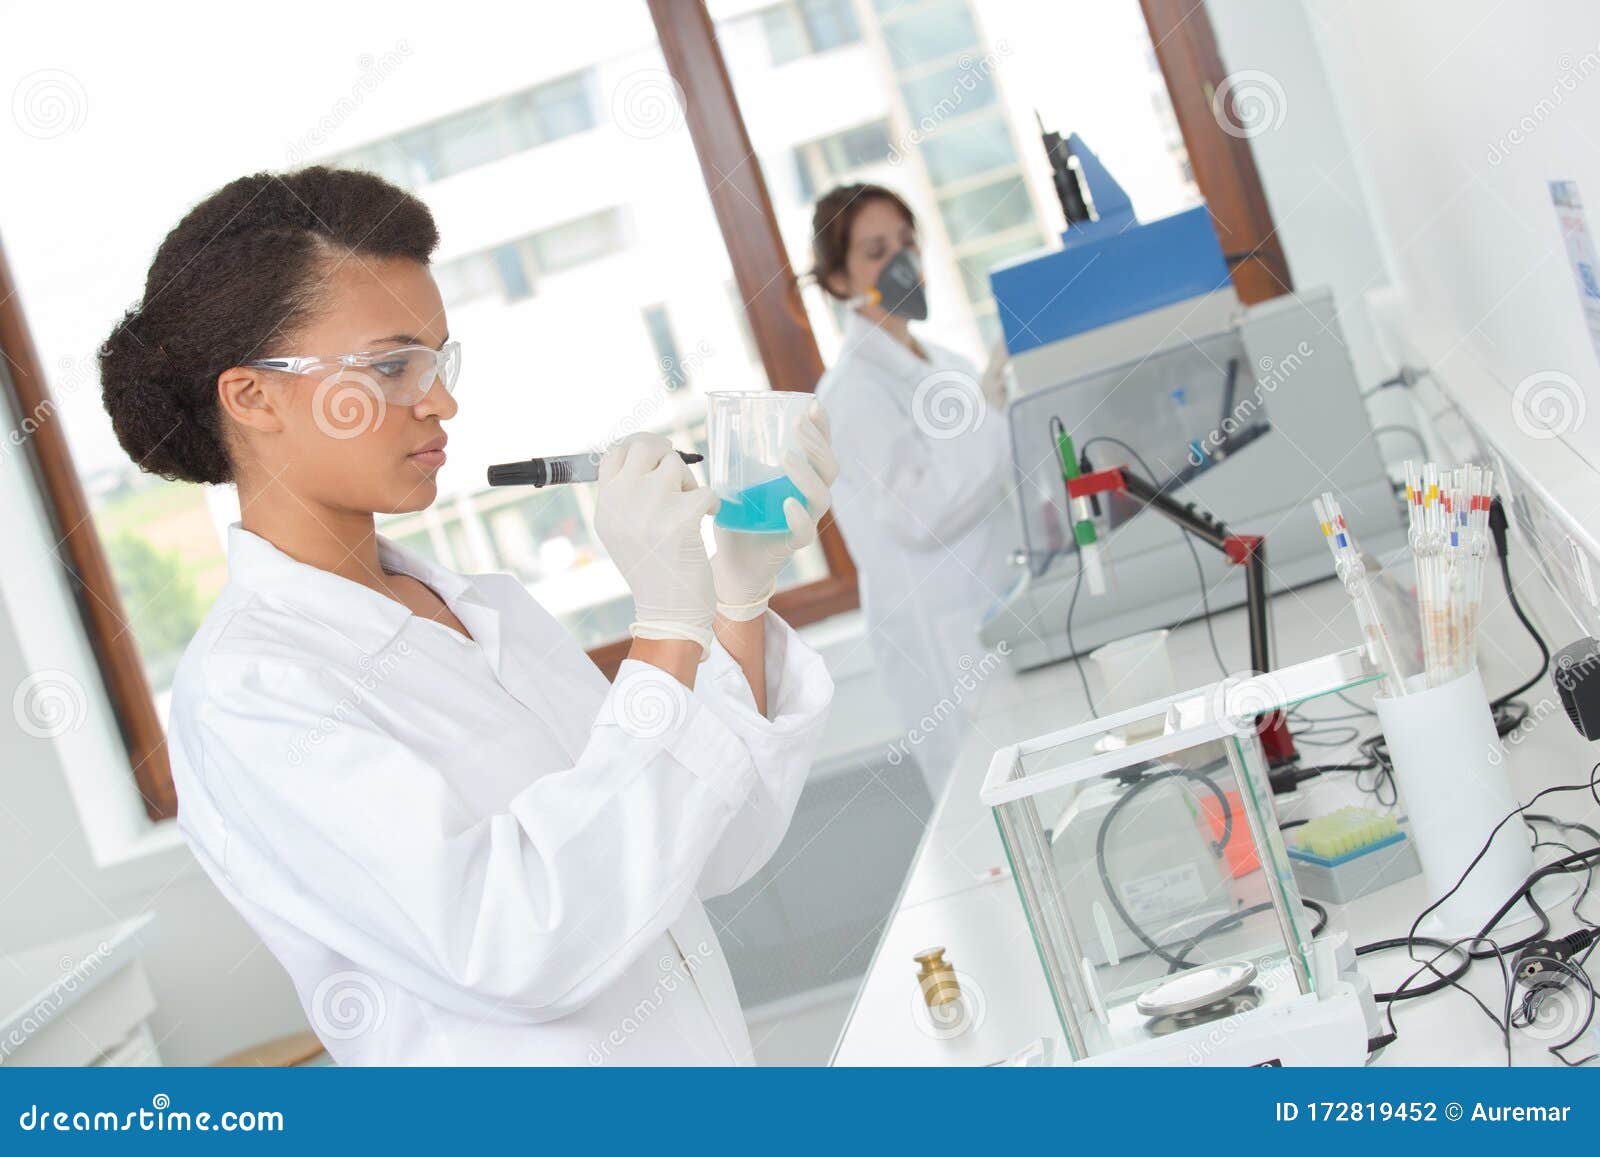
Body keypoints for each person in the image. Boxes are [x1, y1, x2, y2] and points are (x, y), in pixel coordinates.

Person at [98, 167, 838, 1065]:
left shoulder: (490, 611)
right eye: (390, 364)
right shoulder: (253, 693)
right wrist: (668, 627)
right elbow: (520, 943)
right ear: (252, 397)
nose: (439, 399)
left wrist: (735, 597)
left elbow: (705, 847)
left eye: (440, 359)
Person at [810, 184, 1014, 796]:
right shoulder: (851, 393)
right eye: (876, 252)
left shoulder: (944, 362)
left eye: (906, 243)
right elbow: (918, 512)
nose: (901, 262)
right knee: (988, 815)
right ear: (840, 281)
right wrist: (990, 415)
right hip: (943, 637)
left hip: (996, 605)